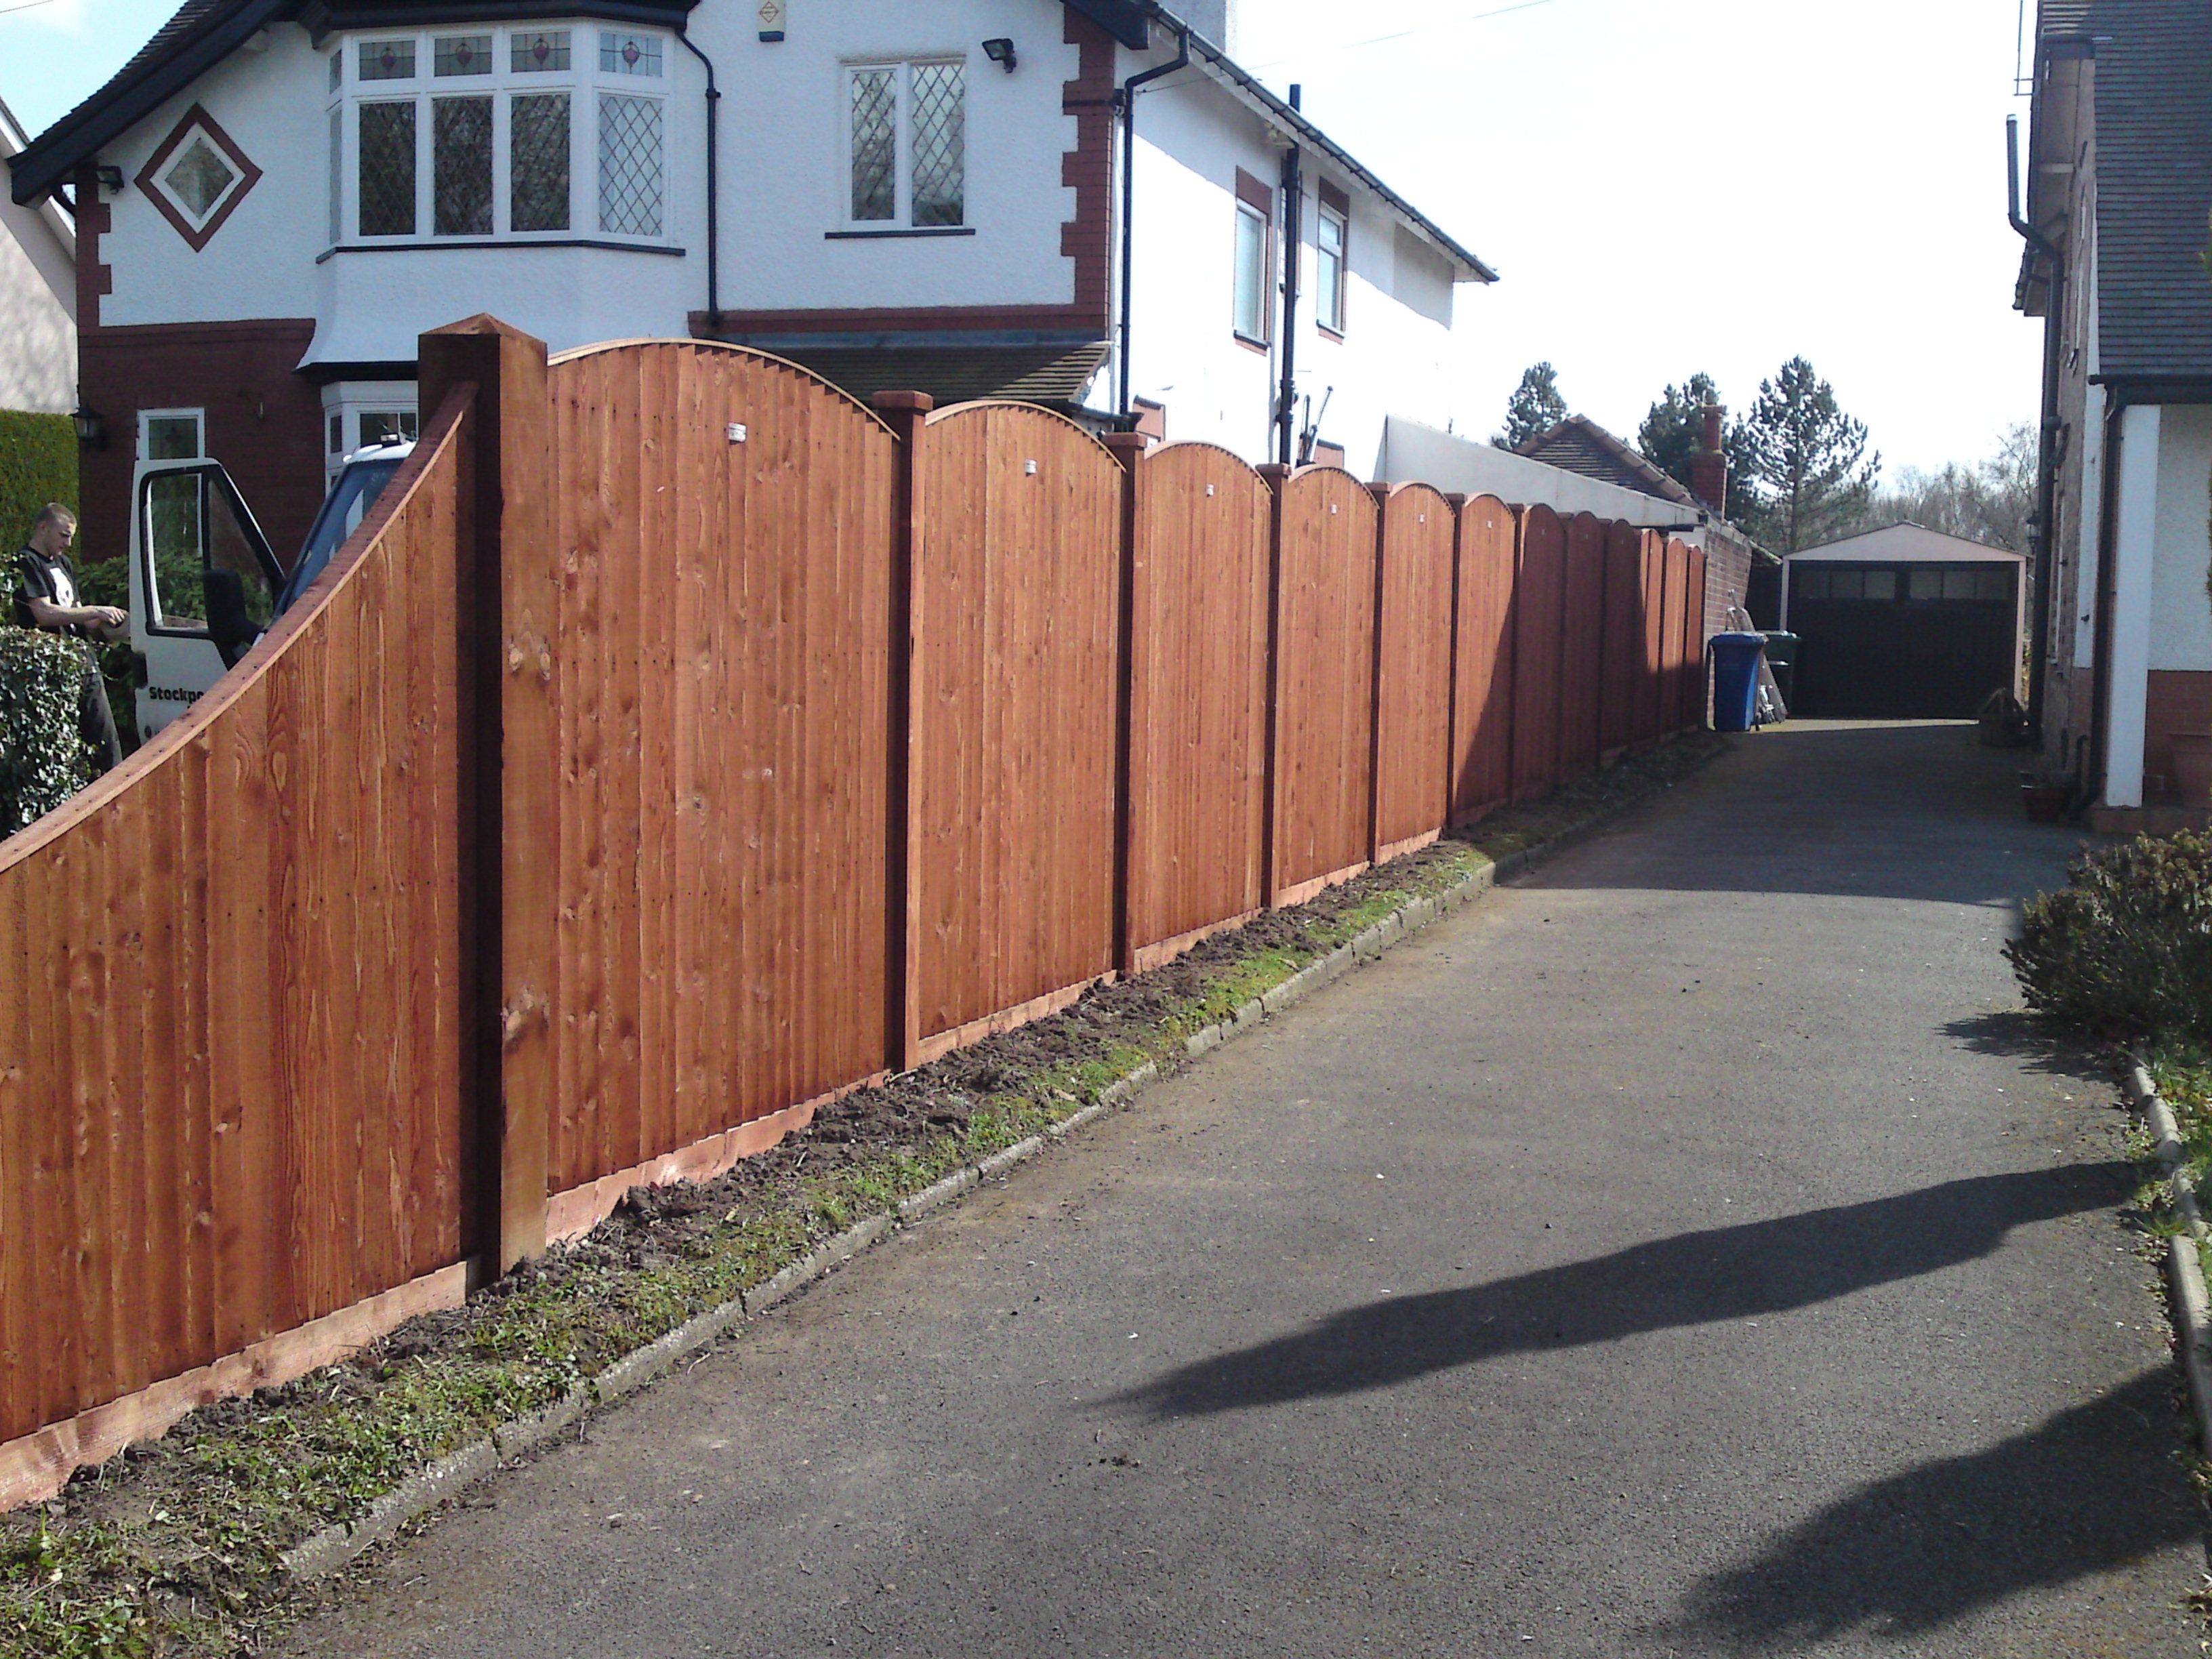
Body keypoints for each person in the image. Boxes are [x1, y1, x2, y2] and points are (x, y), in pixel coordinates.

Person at [14, 502, 124, 775]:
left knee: (105, 738)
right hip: (50, 666)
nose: (69, 543)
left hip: (82, 659)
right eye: (64, 535)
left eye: (71, 536)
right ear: (43, 528)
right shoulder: (26, 563)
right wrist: (95, 610)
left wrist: (111, 624)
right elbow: (44, 613)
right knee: (60, 745)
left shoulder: (64, 563)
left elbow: (76, 612)